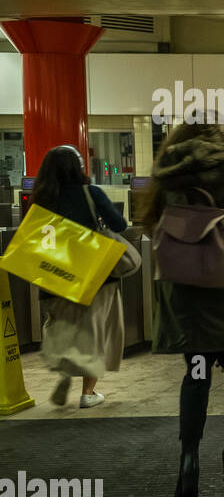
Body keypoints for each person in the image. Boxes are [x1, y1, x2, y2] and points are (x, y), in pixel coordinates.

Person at [141, 116, 224, 497]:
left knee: (196, 373)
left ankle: (189, 460)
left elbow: (151, 223)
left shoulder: (168, 172)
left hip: (186, 294)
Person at [31, 145, 126, 409]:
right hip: (92, 276)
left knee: (64, 329)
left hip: (55, 277)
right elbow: (119, 225)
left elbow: (36, 240)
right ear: (79, 168)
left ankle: (63, 372)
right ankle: (88, 393)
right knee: (95, 333)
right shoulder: (90, 192)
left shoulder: (40, 199)